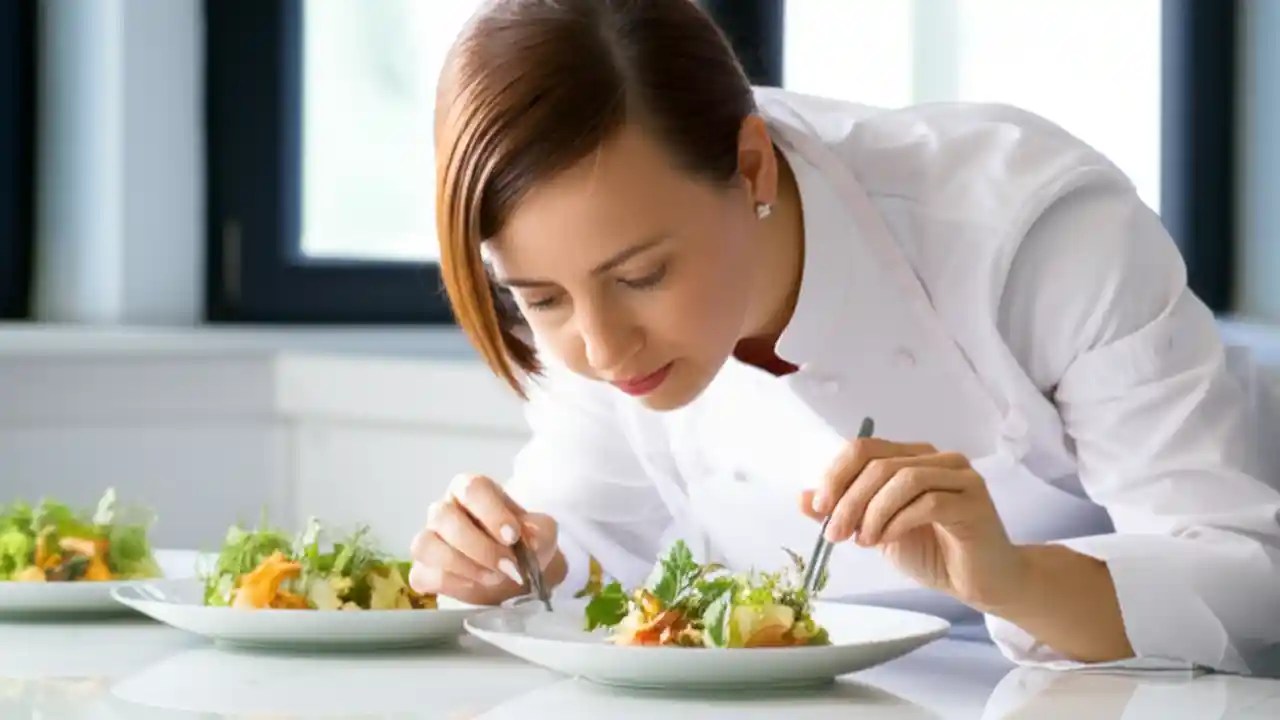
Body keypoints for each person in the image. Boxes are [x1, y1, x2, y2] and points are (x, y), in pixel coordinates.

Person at [409, 0, 1280, 674]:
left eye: (642, 278)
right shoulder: (600, 280)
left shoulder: (1033, 231)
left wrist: (1009, 575)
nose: (599, 351)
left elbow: (1244, 587)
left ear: (751, 167)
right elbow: (588, 548)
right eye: (539, 299)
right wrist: (502, 560)